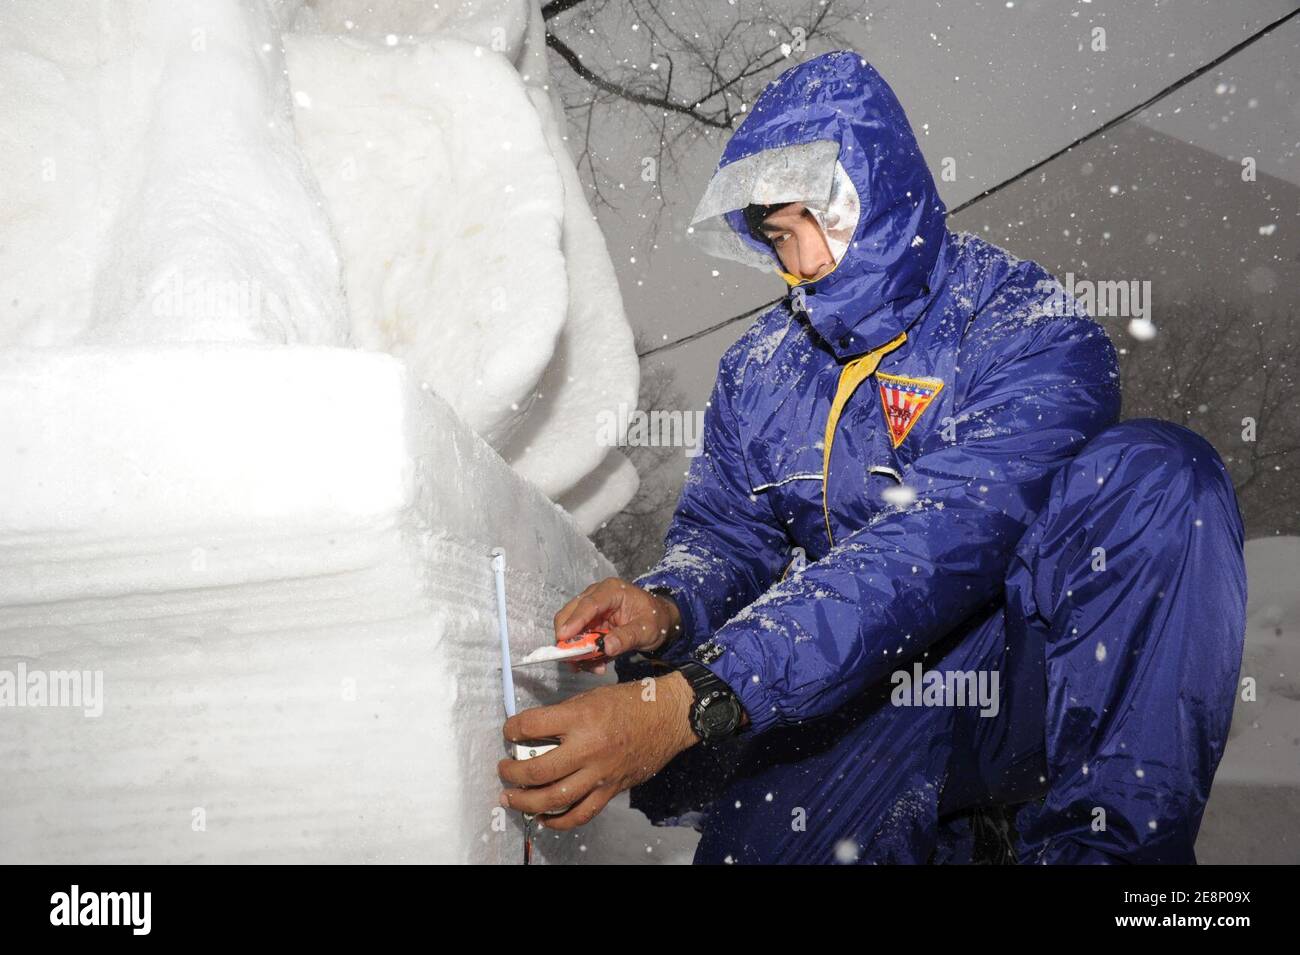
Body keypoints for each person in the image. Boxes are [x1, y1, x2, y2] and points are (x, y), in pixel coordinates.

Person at [498, 49, 1247, 864]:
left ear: (881, 191)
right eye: (781, 237)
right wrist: (668, 605)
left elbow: (940, 537)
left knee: (1157, 478)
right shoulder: (758, 370)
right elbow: (727, 537)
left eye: (818, 223)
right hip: (864, 686)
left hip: (1022, 672)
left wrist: (698, 697)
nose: (804, 263)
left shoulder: (1022, 325)